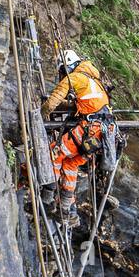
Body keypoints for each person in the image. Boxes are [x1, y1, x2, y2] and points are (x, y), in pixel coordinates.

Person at [42, 51, 112, 226]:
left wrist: (41, 115)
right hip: (103, 136)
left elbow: (53, 102)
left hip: (89, 130)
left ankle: (47, 198)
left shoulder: (75, 77)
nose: (63, 76)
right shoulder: (95, 82)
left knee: (54, 154)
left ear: (67, 66)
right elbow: (82, 104)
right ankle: (67, 211)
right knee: (70, 164)